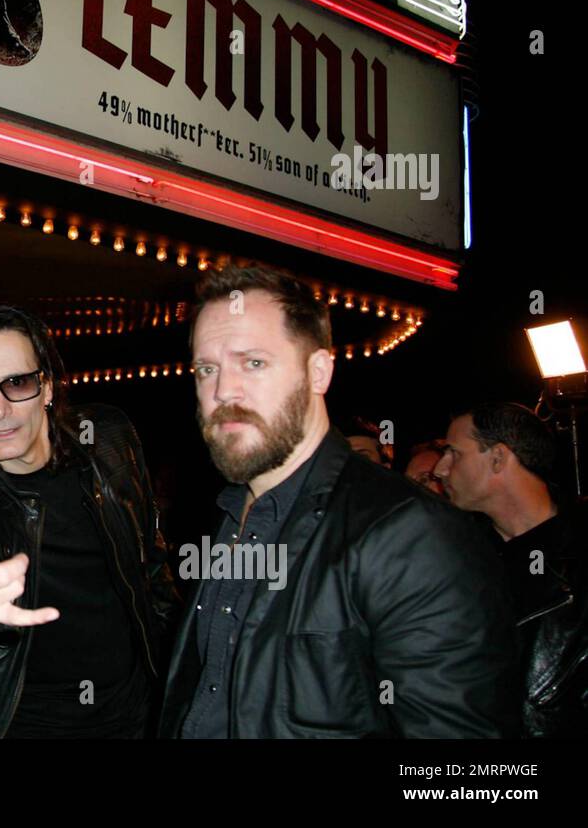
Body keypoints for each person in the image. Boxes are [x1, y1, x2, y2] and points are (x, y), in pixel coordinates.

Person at [161, 264, 519, 738]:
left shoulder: (411, 534)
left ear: (319, 372)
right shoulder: (230, 517)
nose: (223, 390)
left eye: (253, 362)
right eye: (207, 369)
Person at [0, 306, 178, 738]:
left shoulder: (109, 438)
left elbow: (151, 565)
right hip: (21, 723)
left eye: (17, 383)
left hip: (135, 713)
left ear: (48, 388)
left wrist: (176, 671)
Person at [434, 403, 588, 736]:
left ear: (498, 457)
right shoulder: (453, 558)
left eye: (454, 453)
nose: (440, 470)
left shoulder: (577, 558)